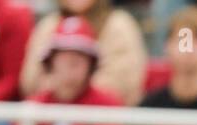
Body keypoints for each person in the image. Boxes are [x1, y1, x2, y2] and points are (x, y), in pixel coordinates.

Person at [0, 17, 123, 125]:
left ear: (91, 64)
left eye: (79, 57)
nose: (71, 64)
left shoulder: (107, 106)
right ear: (50, 62)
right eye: (63, 56)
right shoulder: (34, 107)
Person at [18, 0, 146, 107]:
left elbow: (123, 86)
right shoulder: (48, 24)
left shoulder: (119, 24)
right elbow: (30, 82)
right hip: (49, 116)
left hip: (102, 118)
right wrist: (61, 89)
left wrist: (74, 89)